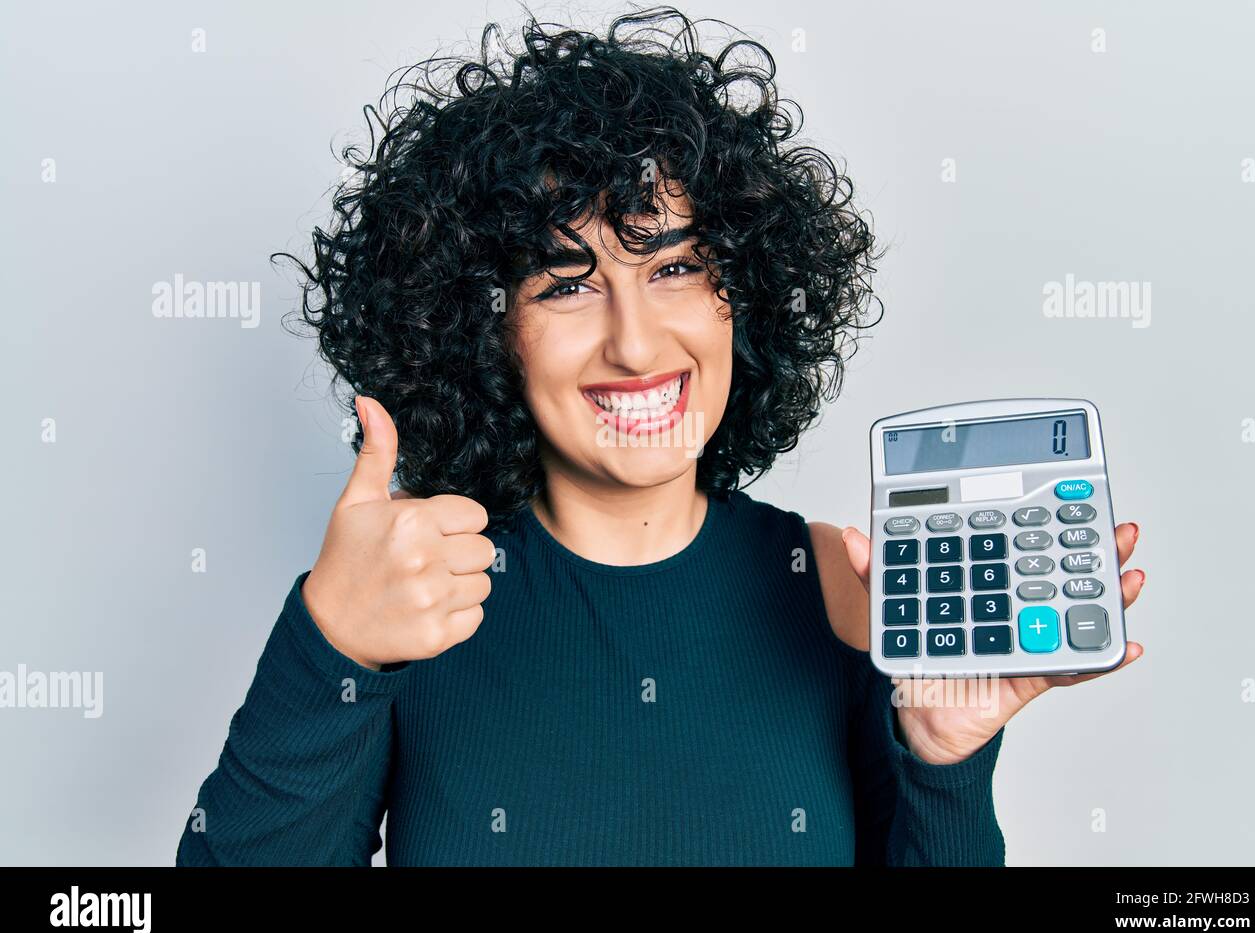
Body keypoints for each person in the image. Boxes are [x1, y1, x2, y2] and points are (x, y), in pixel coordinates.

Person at [176, 6, 1145, 866]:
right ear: (487, 329)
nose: (635, 343)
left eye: (674, 268)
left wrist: (945, 759)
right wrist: (329, 641)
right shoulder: (410, 596)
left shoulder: (843, 587)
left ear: (742, 296)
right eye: (566, 284)